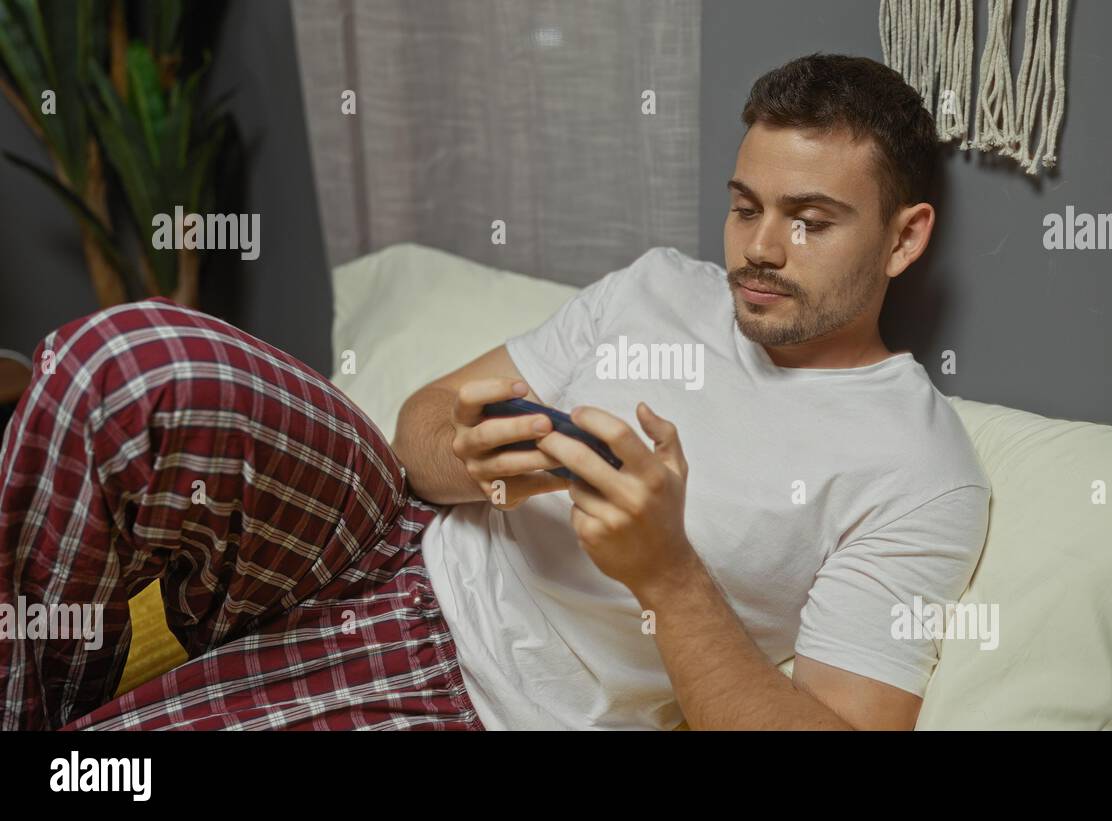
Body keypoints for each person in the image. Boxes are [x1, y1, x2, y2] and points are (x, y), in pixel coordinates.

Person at [0, 53, 988, 731]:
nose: (761, 248)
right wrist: (465, 458)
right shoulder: (655, 286)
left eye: (810, 219)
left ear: (902, 237)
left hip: (488, 698)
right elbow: (423, 424)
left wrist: (668, 574)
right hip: (379, 534)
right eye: (745, 208)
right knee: (118, 365)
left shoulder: (917, 470)